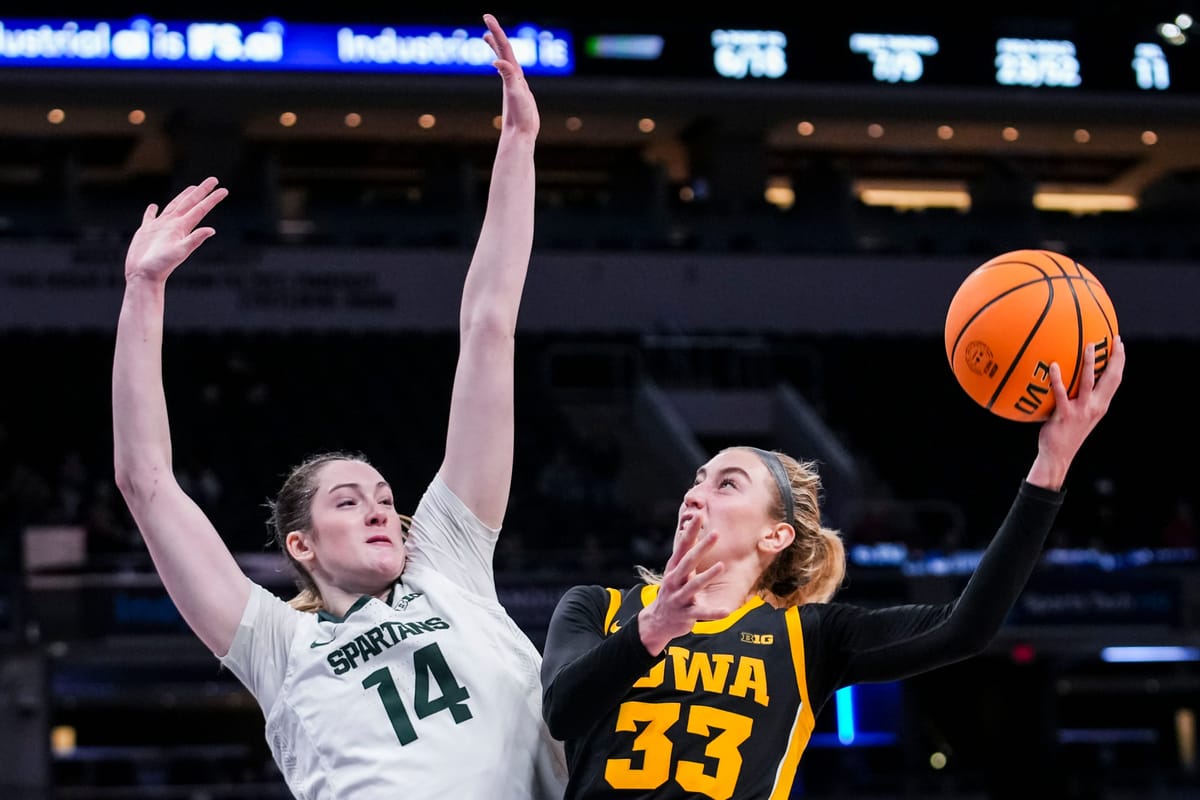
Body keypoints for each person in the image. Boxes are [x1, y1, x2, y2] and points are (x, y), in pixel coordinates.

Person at [112, 14, 567, 800]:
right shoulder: (275, 641)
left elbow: (489, 328)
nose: (382, 509)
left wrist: (520, 146)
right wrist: (142, 291)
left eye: (386, 498)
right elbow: (145, 482)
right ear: (302, 545)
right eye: (350, 501)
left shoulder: (449, 568)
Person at [540, 337, 1126, 799]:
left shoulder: (808, 639)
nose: (696, 494)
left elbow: (967, 626)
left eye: (726, 484)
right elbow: (562, 711)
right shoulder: (600, 607)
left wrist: (1052, 463)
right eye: (696, 481)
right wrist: (652, 631)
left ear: (776, 535)